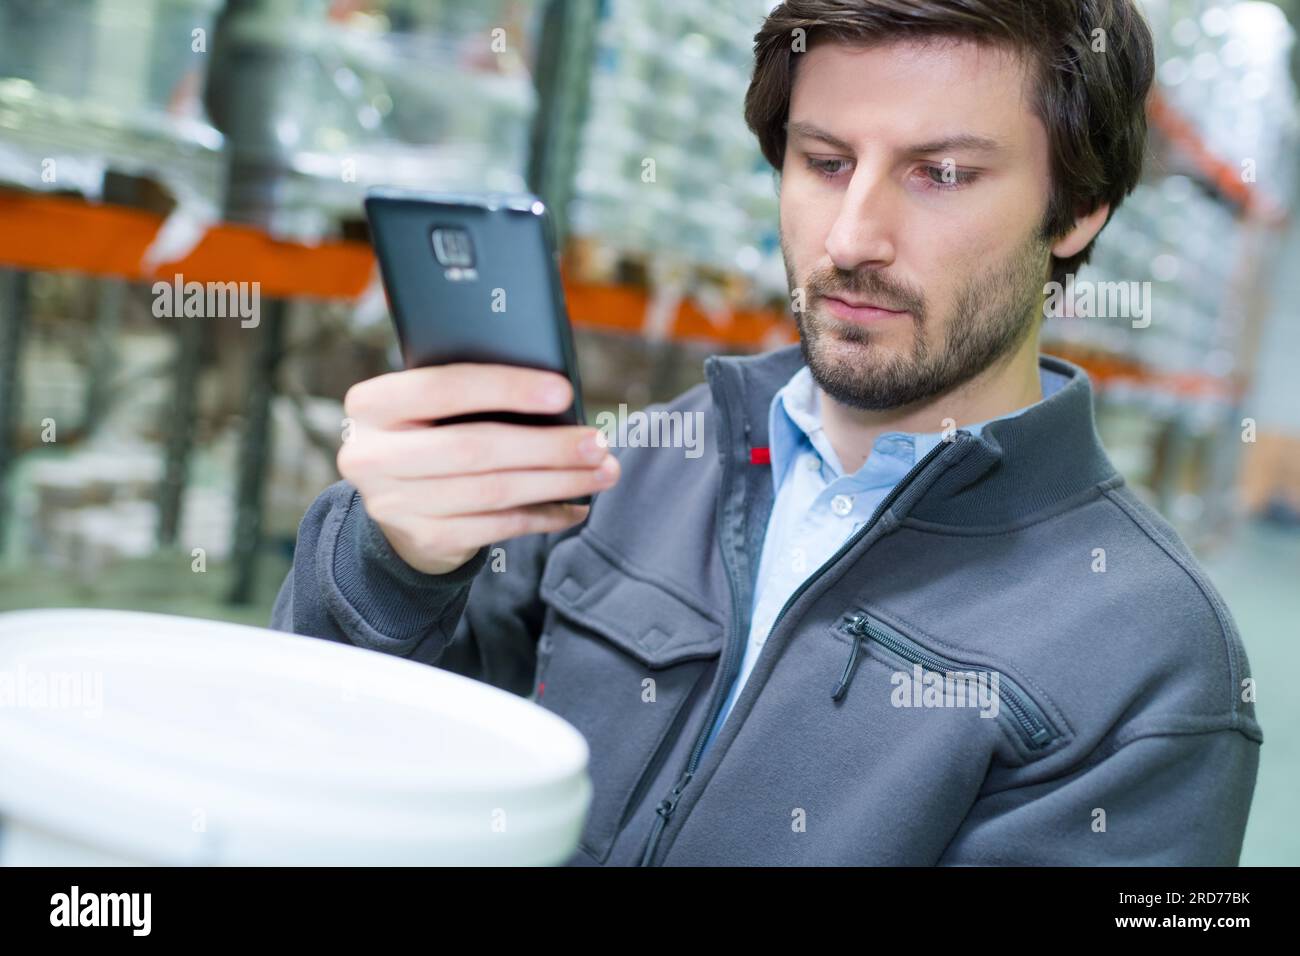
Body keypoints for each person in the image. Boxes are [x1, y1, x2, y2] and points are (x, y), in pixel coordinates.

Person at [271, 0, 1262, 865]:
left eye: (943, 174)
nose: (850, 240)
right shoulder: (626, 466)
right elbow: (347, 774)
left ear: (1077, 209)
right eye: (824, 162)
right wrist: (388, 566)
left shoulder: (1151, 660)